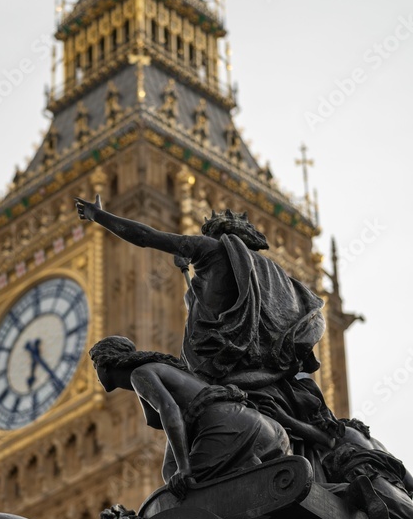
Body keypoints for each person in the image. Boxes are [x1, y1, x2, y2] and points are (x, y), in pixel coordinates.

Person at [75, 198, 326, 390]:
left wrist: (97, 214)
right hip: (267, 370)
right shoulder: (277, 276)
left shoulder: (210, 249)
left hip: (216, 367)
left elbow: (144, 236)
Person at [88, 335, 290, 498]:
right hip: (261, 427)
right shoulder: (156, 371)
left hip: (227, 428)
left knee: (180, 497)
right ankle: (249, 469)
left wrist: (184, 468)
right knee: (171, 477)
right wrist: (174, 467)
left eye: (95, 365)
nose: (96, 375)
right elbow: (165, 420)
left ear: (104, 363)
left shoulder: (140, 375)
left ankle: (247, 473)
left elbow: (170, 410)